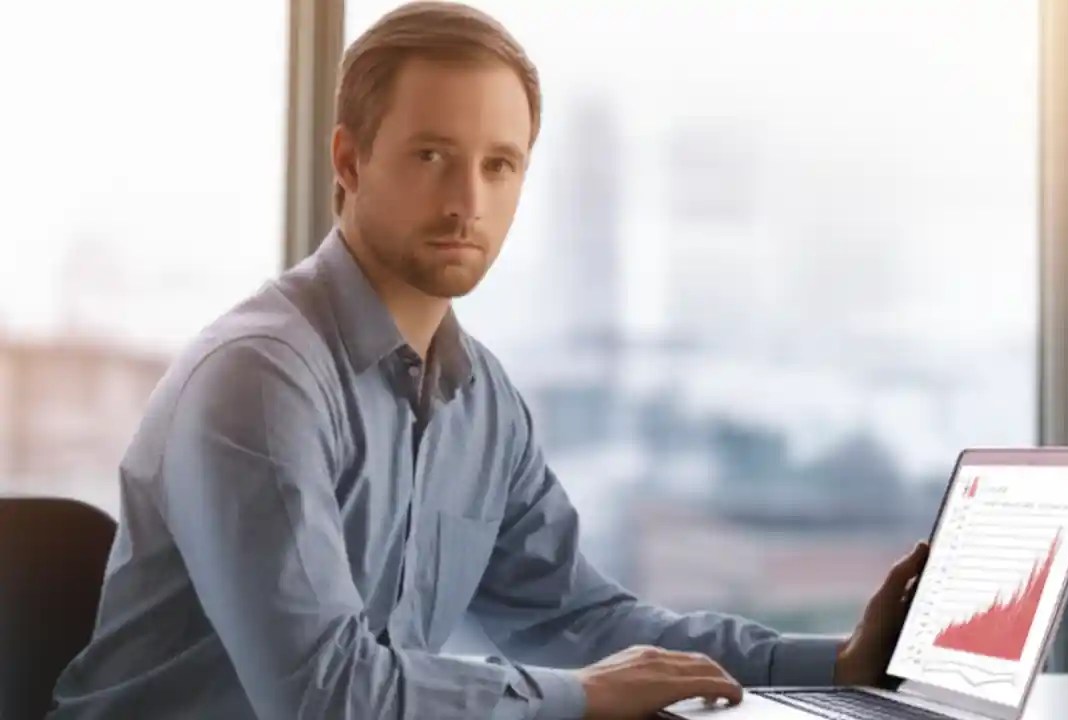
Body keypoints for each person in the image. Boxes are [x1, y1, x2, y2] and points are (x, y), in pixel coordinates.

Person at [48, 3, 928, 718]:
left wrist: (833, 665)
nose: (467, 201)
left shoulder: (482, 402)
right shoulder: (261, 379)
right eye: (432, 156)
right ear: (349, 160)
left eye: (499, 166)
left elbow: (581, 619)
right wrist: (585, 698)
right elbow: (323, 695)